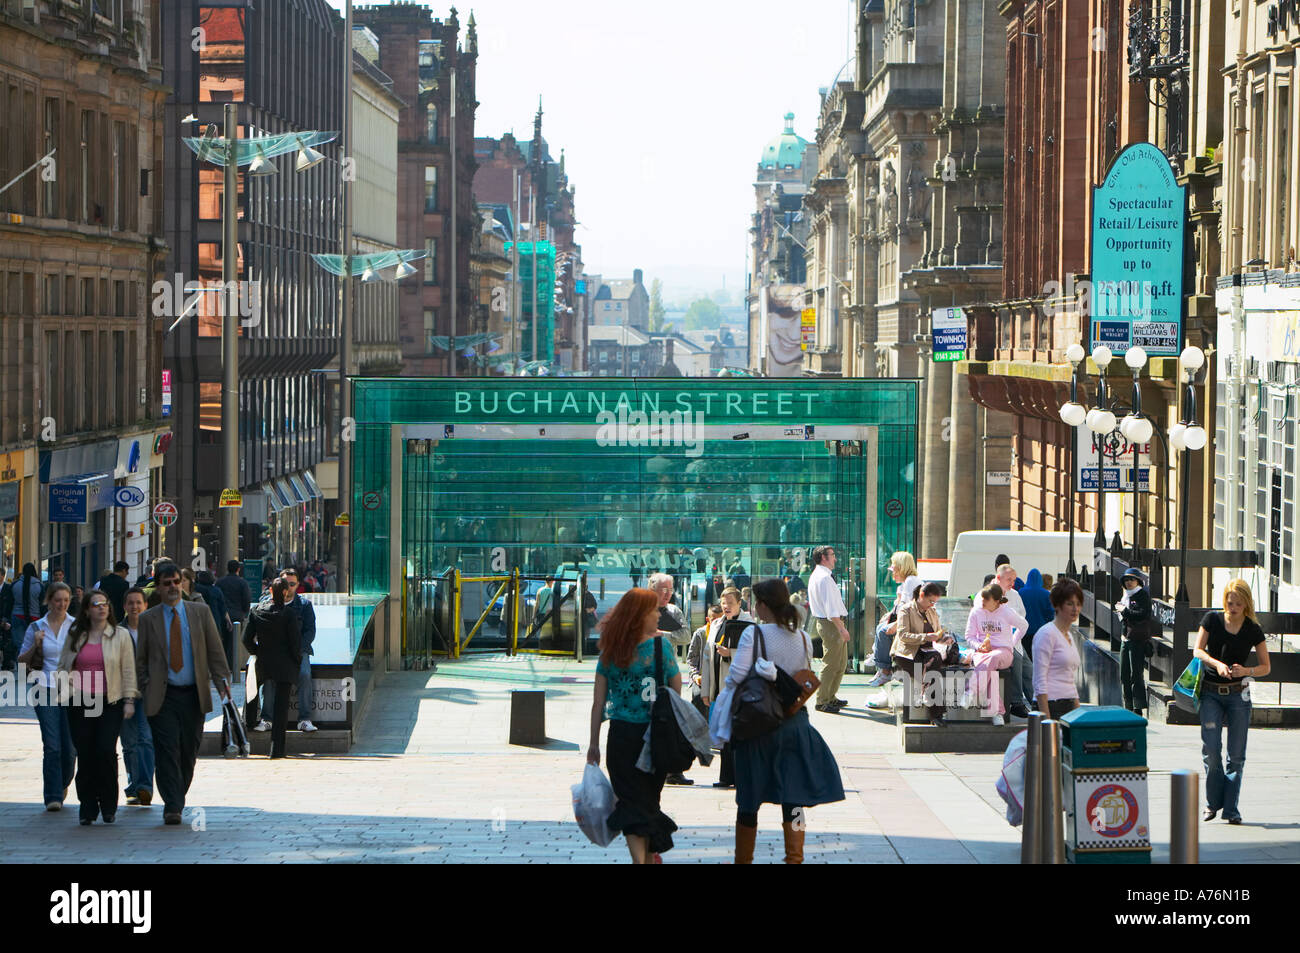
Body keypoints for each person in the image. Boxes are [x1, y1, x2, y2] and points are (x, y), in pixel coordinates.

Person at [727, 578, 845, 864]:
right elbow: (802, 677)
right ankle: (795, 858)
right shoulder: (802, 637)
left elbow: (735, 677)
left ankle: (743, 860)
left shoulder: (753, 635)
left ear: (763, 606)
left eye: (757, 602)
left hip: (758, 725)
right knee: (793, 798)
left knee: (749, 799)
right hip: (794, 725)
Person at [586, 588, 682, 864]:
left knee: (631, 802)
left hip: (621, 738)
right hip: (655, 739)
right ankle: (643, 861)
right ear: (640, 616)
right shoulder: (660, 647)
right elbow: (676, 691)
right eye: (654, 611)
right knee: (648, 801)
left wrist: (593, 743)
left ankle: (643, 860)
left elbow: (598, 702)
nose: (658, 616)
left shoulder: (610, 650)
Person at [134, 561, 231, 825]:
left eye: (177, 582)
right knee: (167, 749)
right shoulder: (148, 619)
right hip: (163, 696)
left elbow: (215, 649)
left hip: (193, 694)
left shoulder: (200, 612)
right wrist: (145, 685)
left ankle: (178, 794)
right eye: (167, 584)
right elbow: (140, 660)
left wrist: (223, 682)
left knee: (188, 750)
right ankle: (172, 805)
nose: (173, 587)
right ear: (159, 588)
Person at [57, 591, 138, 825]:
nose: (102, 608)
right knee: (86, 753)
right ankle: (88, 806)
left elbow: (128, 669)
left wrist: (130, 700)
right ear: (86, 610)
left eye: (105, 604)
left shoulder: (119, 635)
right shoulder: (76, 634)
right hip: (80, 702)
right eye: (96, 605)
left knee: (104, 750)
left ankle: (109, 804)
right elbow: (63, 665)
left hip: (109, 701)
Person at [1194, 579, 1270, 825]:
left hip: (1239, 694)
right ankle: (1212, 803)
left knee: (1236, 756)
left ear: (1246, 603)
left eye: (1238, 603)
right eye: (1229, 601)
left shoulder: (1252, 629)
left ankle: (1231, 809)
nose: (1233, 607)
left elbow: (1265, 667)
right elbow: (1197, 650)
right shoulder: (1212, 620)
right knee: (1212, 750)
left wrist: (1246, 671)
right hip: (1210, 693)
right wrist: (1216, 663)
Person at [18, 581, 76, 811]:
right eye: (57, 600)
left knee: (70, 748)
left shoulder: (75, 626)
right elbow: (21, 661)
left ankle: (62, 782)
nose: (61, 604)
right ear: (48, 601)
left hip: (71, 690)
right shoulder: (36, 627)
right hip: (44, 688)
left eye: (66, 600)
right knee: (52, 744)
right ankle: (53, 795)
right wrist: (36, 645)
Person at [242, 578, 302, 759]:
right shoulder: (288, 614)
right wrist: (296, 661)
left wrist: (257, 652)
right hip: (284, 663)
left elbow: (246, 639)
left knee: (251, 694)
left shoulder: (257, 610)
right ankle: (276, 749)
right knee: (281, 706)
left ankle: (248, 727)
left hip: (263, 660)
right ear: (285, 592)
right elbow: (295, 643)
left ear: (269, 591)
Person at [701, 587, 754, 789]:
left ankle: (740, 776)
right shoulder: (716, 624)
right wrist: (706, 690)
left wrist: (729, 653)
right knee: (724, 733)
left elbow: (752, 653)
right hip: (718, 687)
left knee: (738, 733)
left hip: (738, 688)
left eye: (730, 603)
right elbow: (706, 658)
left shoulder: (748, 624)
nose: (726, 607)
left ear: (740, 603)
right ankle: (726, 776)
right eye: (723, 603)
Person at [256, 567, 317, 733]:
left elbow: (310, 631)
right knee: (267, 679)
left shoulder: (304, 605)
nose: (288, 588)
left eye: (292, 584)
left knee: (304, 674)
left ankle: (304, 719)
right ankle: (266, 718)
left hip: (297, 651)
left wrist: (299, 650)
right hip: (273, 652)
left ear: (297, 585)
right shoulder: (265, 604)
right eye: (285, 583)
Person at [891, 581, 957, 727]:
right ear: (921, 595)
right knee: (934, 671)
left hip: (927, 653)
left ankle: (932, 705)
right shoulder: (906, 609)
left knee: (935, 663)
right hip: (906, 653)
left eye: (934, 602)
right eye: (930, 601)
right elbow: (903, 635)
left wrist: (945, 639)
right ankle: (936, 714)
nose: (932, 605)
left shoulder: (932, 612)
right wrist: (925, 637)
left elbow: (937, 633)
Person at [962, 583, 1029, 725]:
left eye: (987, 599)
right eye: (982, 599)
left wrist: (1012, 641)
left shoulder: (1006, 612)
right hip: (982, 652)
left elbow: (1024, 625)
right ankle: (997, 713)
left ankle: (971, 691)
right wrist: (979, 646)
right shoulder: (976, 612)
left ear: (997, 601)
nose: (983, 602)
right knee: (989, 670)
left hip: (1003, 652)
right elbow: (969, 636)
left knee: (991, 659)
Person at [648, 572, 690, 785]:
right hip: (645, 673)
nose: (667, 595)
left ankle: (674, 769)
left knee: (671, 717)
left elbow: (686, 636)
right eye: (662, 590)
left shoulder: (674, 611)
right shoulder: (642, 610)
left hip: (668, 671)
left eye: (670, 591)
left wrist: (663, 634)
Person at [119, 588, 154, 806]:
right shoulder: (116, 632)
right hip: (124, 694)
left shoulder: (153, 630)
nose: (135, 607)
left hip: (148, 693)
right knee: (129, 743)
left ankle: (145, 787)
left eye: (138, 603)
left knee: (146, 739)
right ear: (124, 607)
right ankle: (133, 785)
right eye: (130, 603)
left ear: (145, 605)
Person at [868, 551, 922, 687]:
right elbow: (902, 607)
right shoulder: (906, 583)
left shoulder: (911, 581)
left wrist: (896, 623)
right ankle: (881, 666)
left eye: (894, 568)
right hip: (908, 620)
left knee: (883, 631)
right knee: (881, 627)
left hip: (912, 623)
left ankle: (884, 670)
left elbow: (912, 609)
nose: (892, 573)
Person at [1032, 578, 1084, 720]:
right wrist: (1046, 720)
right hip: (1050, 706)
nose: (1075, 609)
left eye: (1078, 604)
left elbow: (1069, 678)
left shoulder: (1069, 635)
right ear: (1057, 605)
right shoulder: (1046, 634)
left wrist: (1078, 711)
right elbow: (1039, 679)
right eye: (1070, 604)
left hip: (1069, 707)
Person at [809, 546, 851, 712]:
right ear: (823, 558)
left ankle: (830, 696)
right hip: (832, 624)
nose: (835, 559)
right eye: (832, 555)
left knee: (839, 663)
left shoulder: (820, 575)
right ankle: (822, 700)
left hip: (831, 623)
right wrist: (841, 628)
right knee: (831, 663)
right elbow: (830, 608)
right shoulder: (824, 578)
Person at [1116, 570, 1156, 715]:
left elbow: (1142, 614)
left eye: (1132, 579)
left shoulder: (1142, 595)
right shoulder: (1125, 596)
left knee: (1136, 674)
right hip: (1125, 639)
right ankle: (1128, 705)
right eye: (1126, 580)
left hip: (1137, 640)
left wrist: (1124, 610)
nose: (1129, 582)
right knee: (1124, 674)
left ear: (1138, 581)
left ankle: (1137, 707)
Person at [996, 563, 1033, 719]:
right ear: (999, 578)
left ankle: (1036, 701)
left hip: (1015, 638)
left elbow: (1022, 617)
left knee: (1028, 668)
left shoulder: (1015, 594)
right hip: (1000, 641)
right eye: (1009, 579)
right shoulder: (988, 594)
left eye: (1014, 579)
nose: (1013, 583)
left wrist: (1015, 636)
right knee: (1016, 661)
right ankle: (1016, 702)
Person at [4, 563, 44, 672]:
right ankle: (31, 666)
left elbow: (9, 603)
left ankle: (22, 667)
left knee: (20, 644)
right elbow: (42, 605)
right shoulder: (39, 585)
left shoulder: (15, 584)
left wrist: (6, 619)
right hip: (35, 618)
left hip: (17, 616)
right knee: (33, 644)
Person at [687, 604, 724, 717]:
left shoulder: (726, 632)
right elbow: (691, 659)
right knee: (698, 698)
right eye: (714, 620)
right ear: (708, 619)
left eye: (720, 620)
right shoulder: (700, 633)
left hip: (720, 678)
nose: (717, 624)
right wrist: (695, 676)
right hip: (701, 678)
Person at [215, 559, 253, 638]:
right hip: (238, 616)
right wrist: (245, 613)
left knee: (224, 641)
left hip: (223, 615)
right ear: (238, 569)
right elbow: (246, 599)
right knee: (236, 642)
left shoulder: (219, 582)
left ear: (227, 569)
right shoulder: (243, 583)